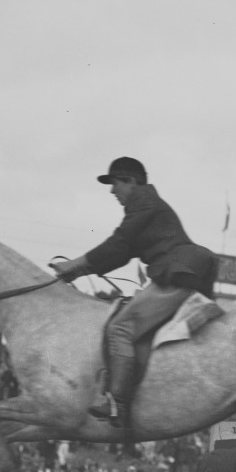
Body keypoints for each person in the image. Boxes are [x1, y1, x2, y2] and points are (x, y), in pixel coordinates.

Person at [50, 156, 218, 426]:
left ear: (130, 181)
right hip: (184, 270)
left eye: (115, 183)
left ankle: (117, 403)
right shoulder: (147, 205)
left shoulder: (143, 200)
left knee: (120, 328)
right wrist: (80, 271)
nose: (112, 191)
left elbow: (119, 243)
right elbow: (123, 253)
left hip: (178, 271)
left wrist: (76, 265)